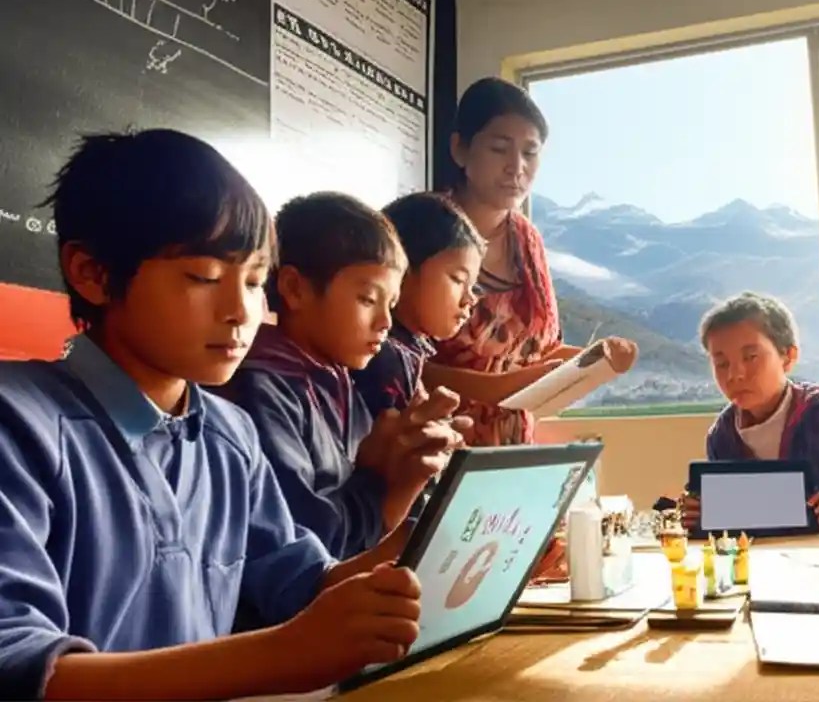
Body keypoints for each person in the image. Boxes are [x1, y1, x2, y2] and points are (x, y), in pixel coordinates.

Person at [0, 130, 423, 700]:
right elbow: (20, 666)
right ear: (93, 274)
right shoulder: (19, 426)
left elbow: (300, 585)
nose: (240, 312)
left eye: (253, 282)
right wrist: (287, 653)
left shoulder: (230, 434)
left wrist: (423, 547)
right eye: (203, 278)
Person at [212, 192, 464, 560]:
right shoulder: (260, 391)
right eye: (367, 299)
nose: (386, 323)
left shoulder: (342, 384)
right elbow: (308, 555)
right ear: (295, 288)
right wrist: (387, 484)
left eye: (390, 304)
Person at [426, 77, 638, 446]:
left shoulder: (527, 241)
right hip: (436, 445)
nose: (515, 167)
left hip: (512, 446)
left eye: (529, 152)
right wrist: (496, 388)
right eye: (499, 148)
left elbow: (538, 353)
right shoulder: (423, 228)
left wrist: (599, 358)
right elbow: (395, 361)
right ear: (460, 149)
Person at [681, 292, 819, 531]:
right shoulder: (722, 435)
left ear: (788, 357)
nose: (734, 374)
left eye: (750, 357)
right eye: (721, 363)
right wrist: (706, 512)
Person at [352, 192, 484, 421]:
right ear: (403, 270)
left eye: (472, 287)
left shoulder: (405, 353)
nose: (470, 299)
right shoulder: (387, 358)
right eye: (458, 280)